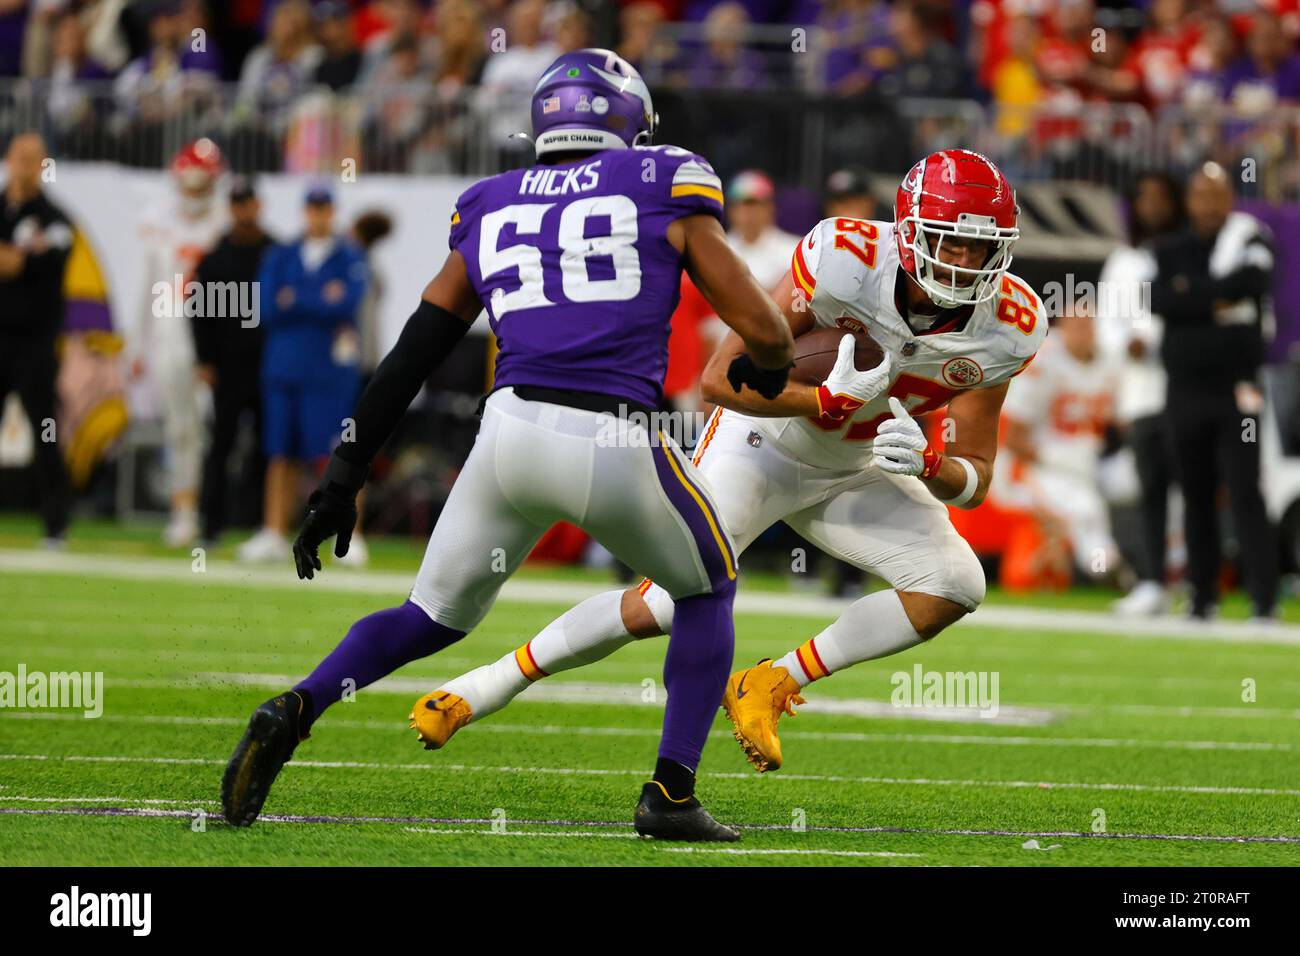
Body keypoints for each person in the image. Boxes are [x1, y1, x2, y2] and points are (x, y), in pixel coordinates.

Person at [221, 48, 794, 841]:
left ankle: (301, 703)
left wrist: (344, 472)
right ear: (628, 119)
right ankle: (670, 793)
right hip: (612, 434)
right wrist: (771, 369)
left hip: (507, 434)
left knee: (430, 614)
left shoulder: (492, 201)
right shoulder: (665, 178)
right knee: (706, 591)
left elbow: (414, 352)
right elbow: (762, 326)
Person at [426, 149, 1045, 775]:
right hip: (763, 443)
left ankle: (773, 681)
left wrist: (930, 463)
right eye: (950, 241)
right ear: (909, 231)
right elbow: (718, 382)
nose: (964, 261)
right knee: (667, 604)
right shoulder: (845, 261)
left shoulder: (1009, 326)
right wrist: (823, 397)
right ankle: (489, 683)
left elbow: (976, 475)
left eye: (979, 245)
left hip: (860, 465)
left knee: (956, 585)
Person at [1151, 162, 1278, 621]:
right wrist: (1218, 300)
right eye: (1201, 196)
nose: (1208, 205)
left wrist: (1194, 296)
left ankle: (1263, 599)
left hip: (1237, 392)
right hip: (1185, 391)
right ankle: (1203, 596)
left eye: (1217, 195)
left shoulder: (1249, 239)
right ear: (1189, 201)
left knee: (1246, 491)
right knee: (1195, 493)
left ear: (1231, 199)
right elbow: (1162, 301)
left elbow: (1254, 283)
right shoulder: (1172, 250)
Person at [238, 185, 367, 565]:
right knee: (280, 453)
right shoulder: (281, 255)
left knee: (337, 454)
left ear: (332, 212)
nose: (318, 215)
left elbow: (347, 303)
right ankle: (273, 530)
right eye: (312, 208)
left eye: (324, 208)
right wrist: (319, 299)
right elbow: (267, 307)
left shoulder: (349, 256)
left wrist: (296, 298)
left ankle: (350, 535)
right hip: (285, 367)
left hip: (328, 373)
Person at [133, 137, 226, 547]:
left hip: (216, 328)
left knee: (213, 429)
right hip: (173, 329)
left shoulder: (224, 222)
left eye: (201, 181)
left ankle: (213, 512)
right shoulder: (158, 222)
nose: (194, 190)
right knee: (180, 427)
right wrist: (138, 345)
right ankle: (183, 509)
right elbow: (147, 288)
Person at [989, 303, 1122, 587]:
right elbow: (1014, 439)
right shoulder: (1044, 362)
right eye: (1076, 327)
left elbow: (1123, 424)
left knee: (1151, 478)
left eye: (1089, 326)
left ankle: (1168, 564)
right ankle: (1105, 567)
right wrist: (1065, 460)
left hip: (1092, 463)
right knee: (1086, 509)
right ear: (1061, 329)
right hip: (1039, 464)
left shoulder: (1111, 362)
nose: (1084, 333)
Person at [1102, 171, 1185, 616]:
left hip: (1184, 386)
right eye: (1144, 197)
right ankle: (1153, 580)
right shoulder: (1123, 260)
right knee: (1150, 486)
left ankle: (1193, 577)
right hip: (1140, 393)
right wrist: (1127, 344)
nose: (1152, 205)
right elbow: (1108, 325)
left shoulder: (1187, 252)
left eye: (1161, 196)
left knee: (1192, 486)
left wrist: (1151, 339)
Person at [0, 132, 75, 546]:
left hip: (34, 345)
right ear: (8, 159)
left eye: (34, 159)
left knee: (45, 430)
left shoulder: (55, 218)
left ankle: (56, 523)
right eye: (19, 157)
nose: (25, 166)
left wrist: (18, 260)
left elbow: (36, 260)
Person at [192, 177, 275, 547]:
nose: (244, 210)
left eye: (249, 202)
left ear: (258, 205)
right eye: (238, 203)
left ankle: (262, 525)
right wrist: (205, 360)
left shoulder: (275, 252)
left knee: (265, 446)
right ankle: (211, 523)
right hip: (227, 368)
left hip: (267, 366)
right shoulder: (216, 257)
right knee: (221, 444)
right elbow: (199, 312)